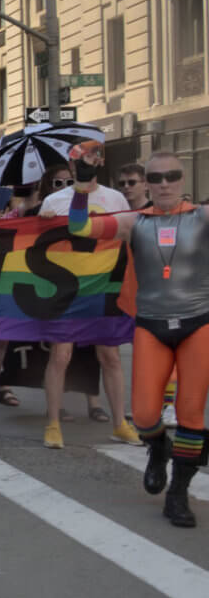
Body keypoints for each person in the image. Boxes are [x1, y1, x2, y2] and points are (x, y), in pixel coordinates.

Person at [69, 152, 208, 528]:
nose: (164, 184)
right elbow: (79, 227)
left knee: (191, 413)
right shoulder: (135, 221)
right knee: (146, 414)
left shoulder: (202, 216)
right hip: (151, 325)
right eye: (157, 177)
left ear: (183, 178)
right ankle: (158, 447)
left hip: (198, 325)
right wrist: (82, 186)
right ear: (147, 182)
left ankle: (178, 494)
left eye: (172, 176)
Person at [39, 161, 138, 448]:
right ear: (72, 165)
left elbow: (127, 234)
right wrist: (41, 219)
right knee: (60, 356)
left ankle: (120, 423)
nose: (86, 165)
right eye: (80, 160)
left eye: (92, 158)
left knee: (111, 356)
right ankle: (53, 424)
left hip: (104, 285)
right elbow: (41, 242)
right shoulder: (55, 200)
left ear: (101, 161)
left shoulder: (115, 198)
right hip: (66, 288)